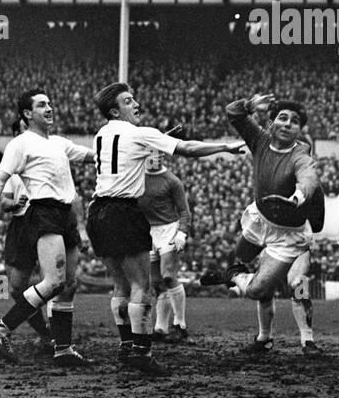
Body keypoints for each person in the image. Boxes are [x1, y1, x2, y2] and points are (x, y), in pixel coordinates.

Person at [88, 82, 245, 376]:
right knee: (142, 286)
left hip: (97, 212)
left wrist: (155, 140)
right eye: (128, 101)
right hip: (123, 211)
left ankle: (126, 347)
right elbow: (187, 148)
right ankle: (142, 353)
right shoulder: (140, 132)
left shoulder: (101, 134)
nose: (136, 104)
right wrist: (223, 146)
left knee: (120, 286)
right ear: (114, 110)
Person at [0, 90, 96, 367]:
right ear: (27, 114)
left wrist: (133, 149)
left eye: (49, 103)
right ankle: (0, 329)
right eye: (41, 105)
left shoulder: (60, 142)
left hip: (66, 213)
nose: (49, 108)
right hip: (44, 212)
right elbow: (0, 180)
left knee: (69, 285)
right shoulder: (20, 144)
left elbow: (95, 157)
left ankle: (63, 349)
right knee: (53, 281)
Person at [202, 93, 323, 357]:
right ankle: (264, 338)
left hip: (294, 237)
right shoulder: (260, 140)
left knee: (298, 284)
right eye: (282, 118)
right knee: (256, 281)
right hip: (262, 221)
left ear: (301, 132)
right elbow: (233, 112)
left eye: (295, 121)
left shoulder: (301, 155)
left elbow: (309, 178)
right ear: (270, 123)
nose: (288, 124)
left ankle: (307, 340)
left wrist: (299, 195)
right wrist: (249, 106)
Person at [0, 117, 54, 355]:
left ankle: (58, 338)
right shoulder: (11, 166)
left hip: (46, 220)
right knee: (15, 289)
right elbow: (3, 201)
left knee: (55, 281)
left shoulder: (48, 155)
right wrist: (13, 203)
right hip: (21, 225)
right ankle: (46, 333)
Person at [139, 150, 191, 342]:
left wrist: (182, 232)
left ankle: (180, 324)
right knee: (156, 283)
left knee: (169, 276)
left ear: (162, 157)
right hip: (147, 231)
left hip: (168, 229)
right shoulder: (136, 175)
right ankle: (161, 327)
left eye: (157, 155)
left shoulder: (172, 181)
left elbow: (184, 210)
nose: (154, 159)